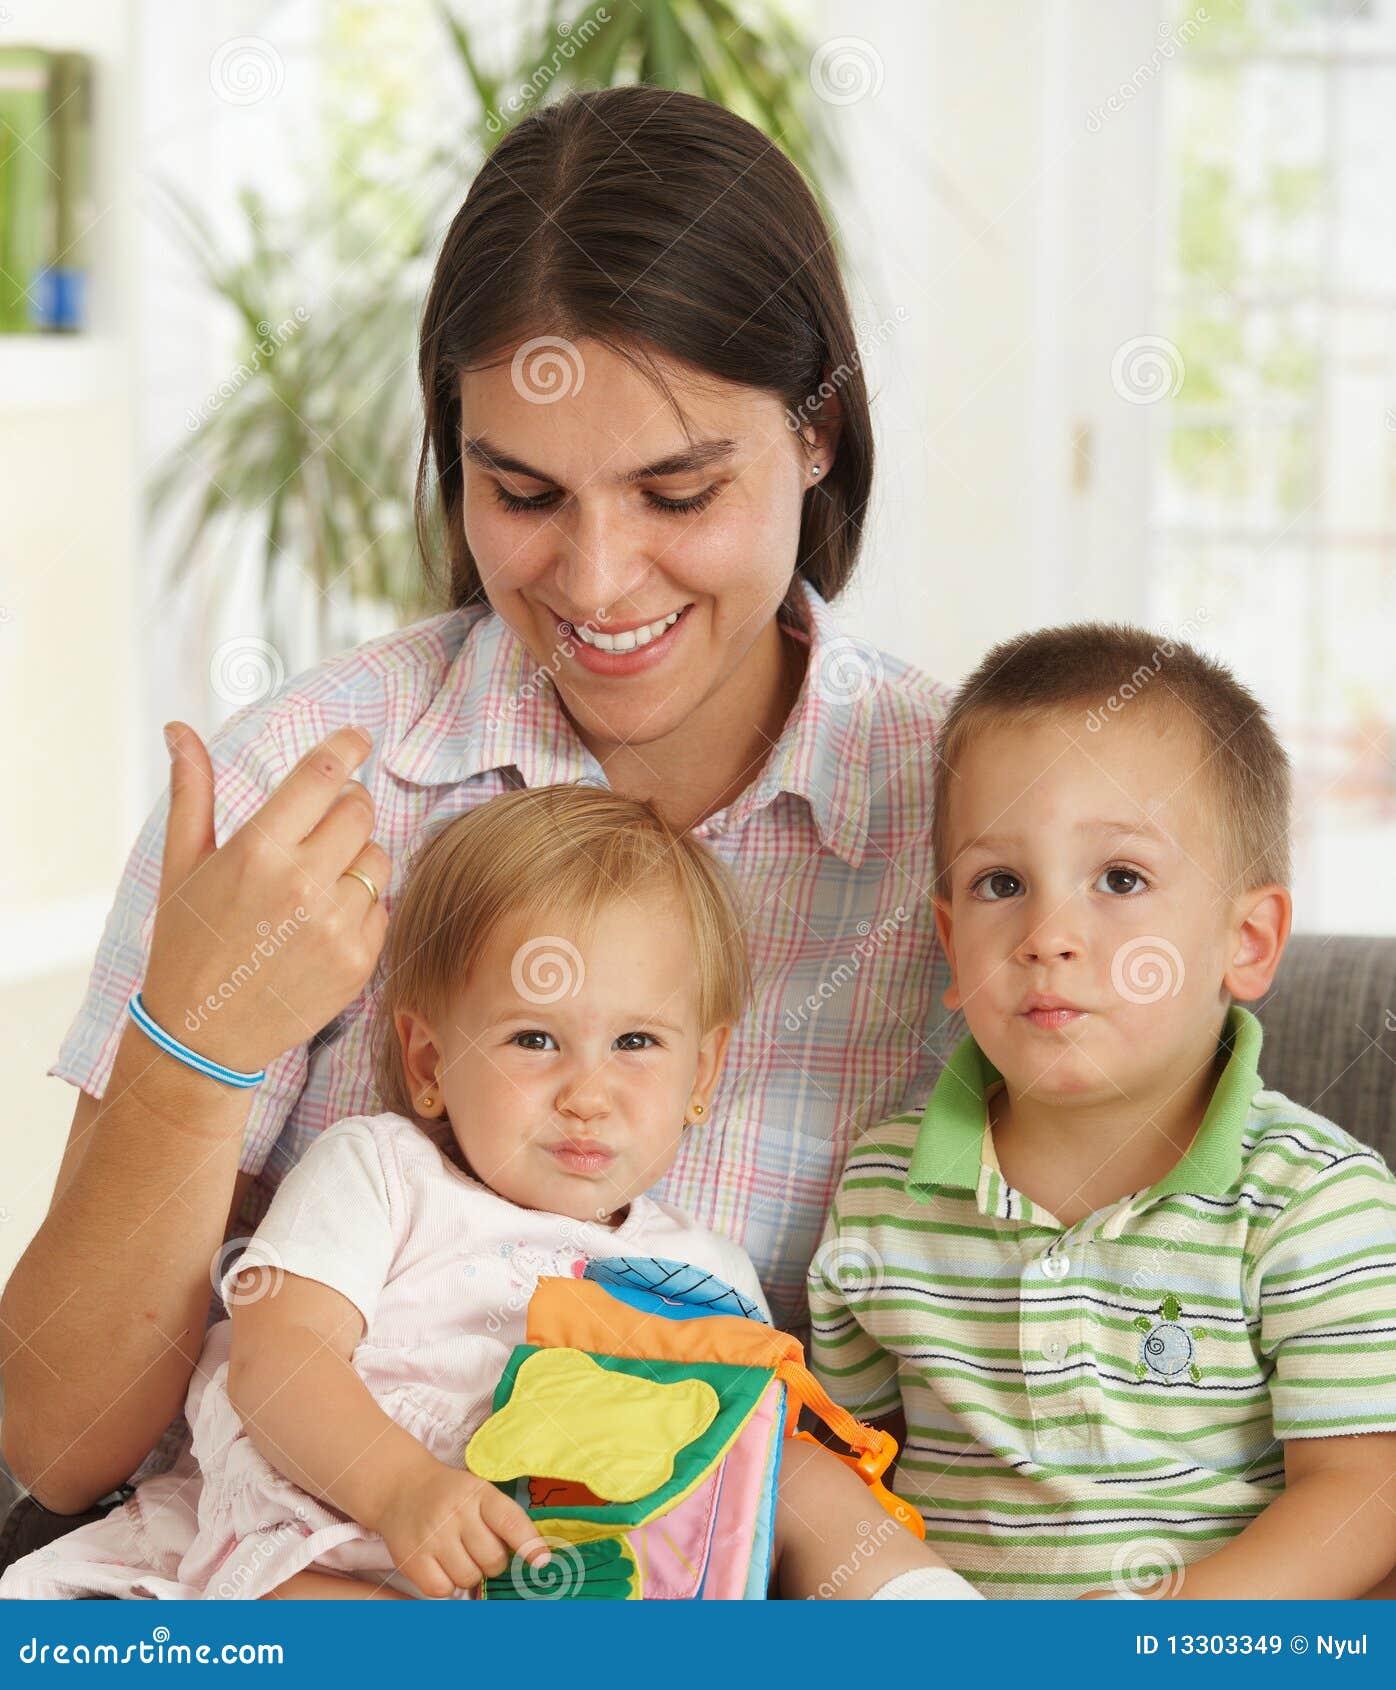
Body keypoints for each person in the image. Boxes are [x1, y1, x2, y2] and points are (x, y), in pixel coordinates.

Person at [0, 84, 956, 1534]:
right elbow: (57, 1448)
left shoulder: (973, 832)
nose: (597, 578)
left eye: (678, 492)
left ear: (818, 430)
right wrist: (191, 1049)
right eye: (523, 491)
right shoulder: (307, 789)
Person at [1, 787, 970, 1601]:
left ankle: (926, 1618)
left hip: (591, 1564)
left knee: (794, 1463)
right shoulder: (380, 1170)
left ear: (703, 1074)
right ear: (428, 1060)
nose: (586, 1091)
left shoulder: (701, 1270)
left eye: (636, 1042)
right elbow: (278, 1362)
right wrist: (401, 1491)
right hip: (337, 1538)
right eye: (533, 1039)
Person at [808, 622, 1396, 1600]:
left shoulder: (1316, 1205)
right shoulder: (882, 1189)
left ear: (1246, 940)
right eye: (1001, 883)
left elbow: (1363, 1491)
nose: (1047, 936)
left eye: (1119, 878)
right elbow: (844, 1463)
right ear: (950, 938)